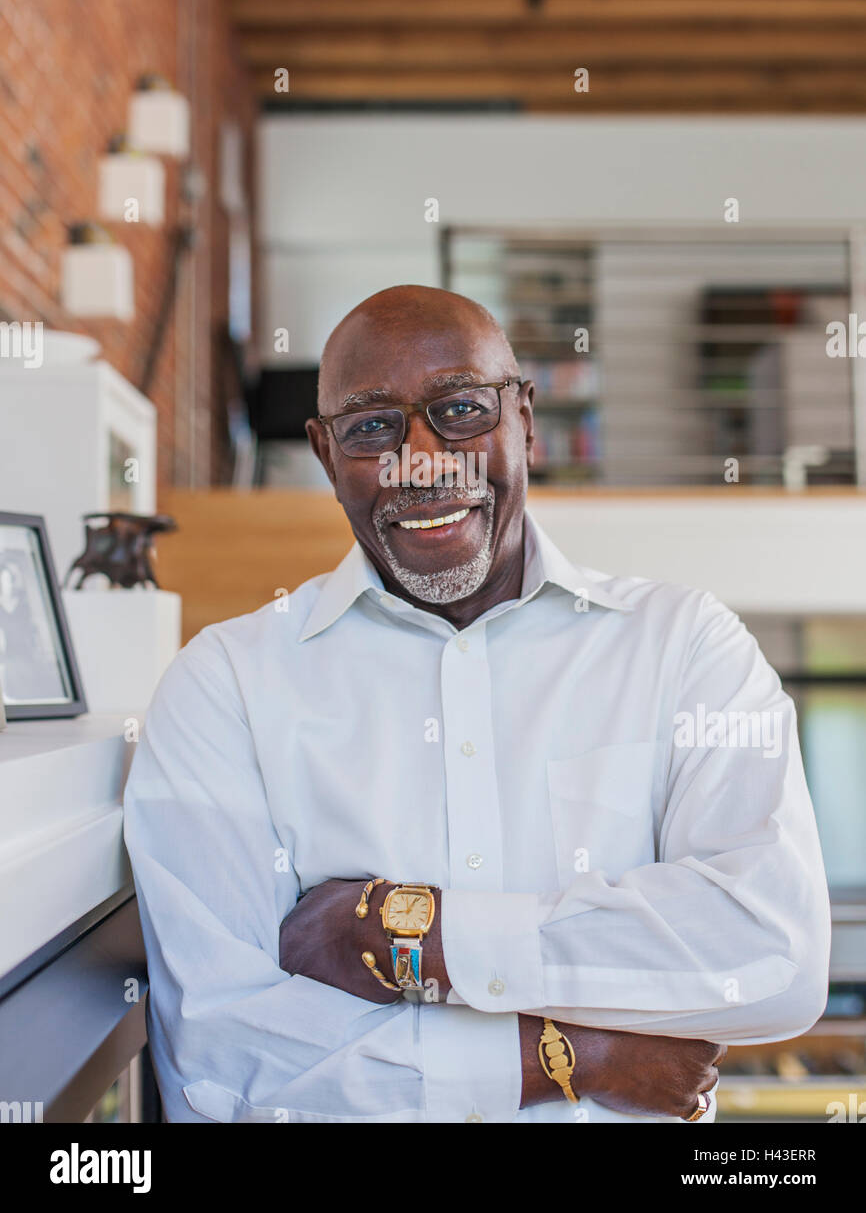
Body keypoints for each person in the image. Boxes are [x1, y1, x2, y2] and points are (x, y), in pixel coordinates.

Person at [123, 284, 831, 1123]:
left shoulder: (683, 646)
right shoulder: (225, 687)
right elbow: (221, 1059)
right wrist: (573, 1057)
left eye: (459, 409)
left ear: (525, 419)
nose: (422, 459)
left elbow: (770, 953)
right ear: (323, 453)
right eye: (371, 426)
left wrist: (416, 937)